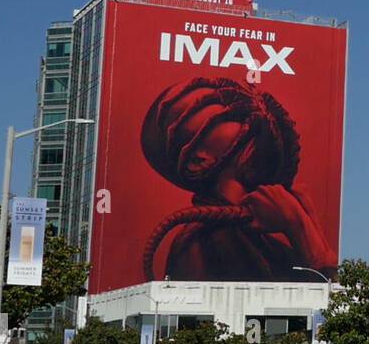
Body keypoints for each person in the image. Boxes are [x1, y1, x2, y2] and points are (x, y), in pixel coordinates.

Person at [138, 77, 336, 282]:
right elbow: (322, 302)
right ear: (197, 160)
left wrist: (306, 221)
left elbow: (337, 300)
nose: (242, 110)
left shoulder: (264, 238)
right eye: (216, 112)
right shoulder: (204, 243)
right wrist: (299, 226)